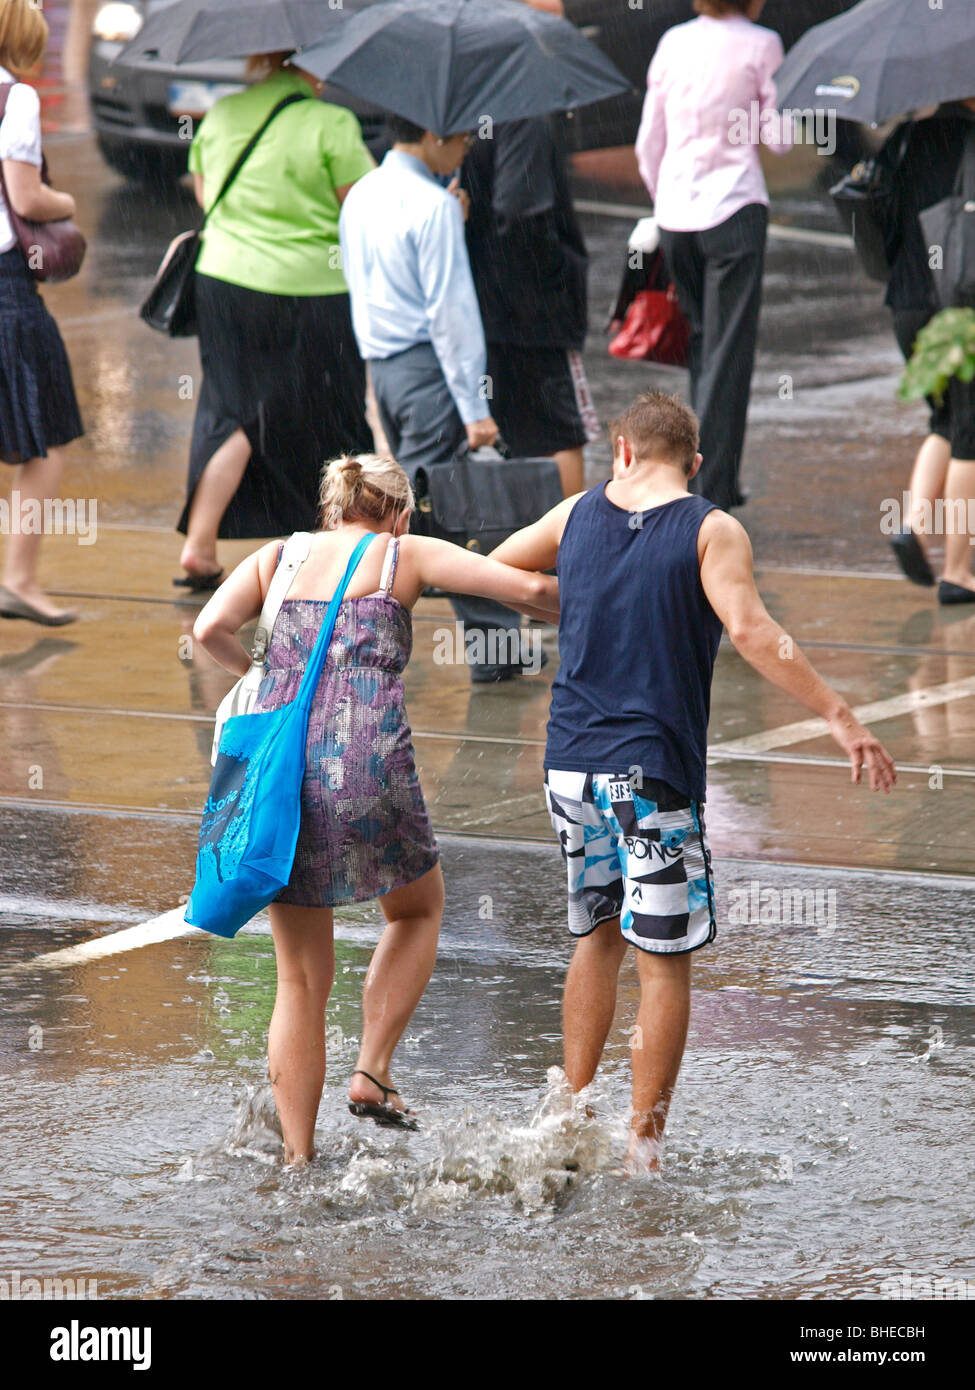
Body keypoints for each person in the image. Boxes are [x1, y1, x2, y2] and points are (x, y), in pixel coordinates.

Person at [490, 392, 897, 1171]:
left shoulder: (575, 512)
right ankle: (644, 1151)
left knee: (595, 936)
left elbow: (498, 571)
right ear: (695, 462)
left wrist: (582, 608)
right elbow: (751, 632)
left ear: (622, 452)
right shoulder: (711, 528)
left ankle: (568, 1118)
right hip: (650, 778)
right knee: (663, 959)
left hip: (569, 765)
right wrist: (841, 718)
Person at [192, 452, 559, 1164]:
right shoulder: (402, 555)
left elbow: (209, 628)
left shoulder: (277, 558)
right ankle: (372, 1069)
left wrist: (267, 679)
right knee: (417, 909)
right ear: (396, 510)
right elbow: (526, 590)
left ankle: (299, 1156)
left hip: (281, 776)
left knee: (298, 979)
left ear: (331, 508)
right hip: (367, 769)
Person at [338, 114, 528, 683]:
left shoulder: (364, 192)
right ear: (432, 136)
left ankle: (493, 646)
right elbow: (451, 316)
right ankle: (489, 651)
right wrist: (476, 409)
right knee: (449, 514)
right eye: (462, 140)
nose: (465, 151)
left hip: (388, 369)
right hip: (429, 375)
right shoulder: (433, 207)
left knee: (428, 509)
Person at [175, 52, 375, 591]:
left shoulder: (223, 114)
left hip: (223, 281)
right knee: (329, 408)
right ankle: (342, 542)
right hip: (311, 286)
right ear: (311, 61)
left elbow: (202, 187)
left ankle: (199, 545)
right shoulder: (332, 123)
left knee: (232, 408)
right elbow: (362, 207)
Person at [635, 0, 790, 512]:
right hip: (735, 208)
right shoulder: (762, 44)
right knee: (729, 353)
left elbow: (648, 142)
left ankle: (698, 472)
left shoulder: (673, 42)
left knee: (702, 346)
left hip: (678, 212)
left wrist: (665, 198)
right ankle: (713, 486)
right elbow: (779, 139)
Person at [0, 0, 82, 626]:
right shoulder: (16, 98)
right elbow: (26, 195)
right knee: (49, 435)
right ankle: (18, 578)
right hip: (7, 291)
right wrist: (65, 198)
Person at [463, 114, 597, 497]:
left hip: (477, 303)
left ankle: (510, 548)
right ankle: (566, 550)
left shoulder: (461, 103)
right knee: (559, 435)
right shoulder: (523, 114)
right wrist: (556, 277)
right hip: (532, 313)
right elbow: (521, 211)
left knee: (504, 432)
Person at [883, 101, 975, 605]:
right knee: (970, 436)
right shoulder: (971, 139)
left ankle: (915, 526)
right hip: (960, 310)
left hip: (908, 303)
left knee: (945, 419)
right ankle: (959, 571)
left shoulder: (909, 136)